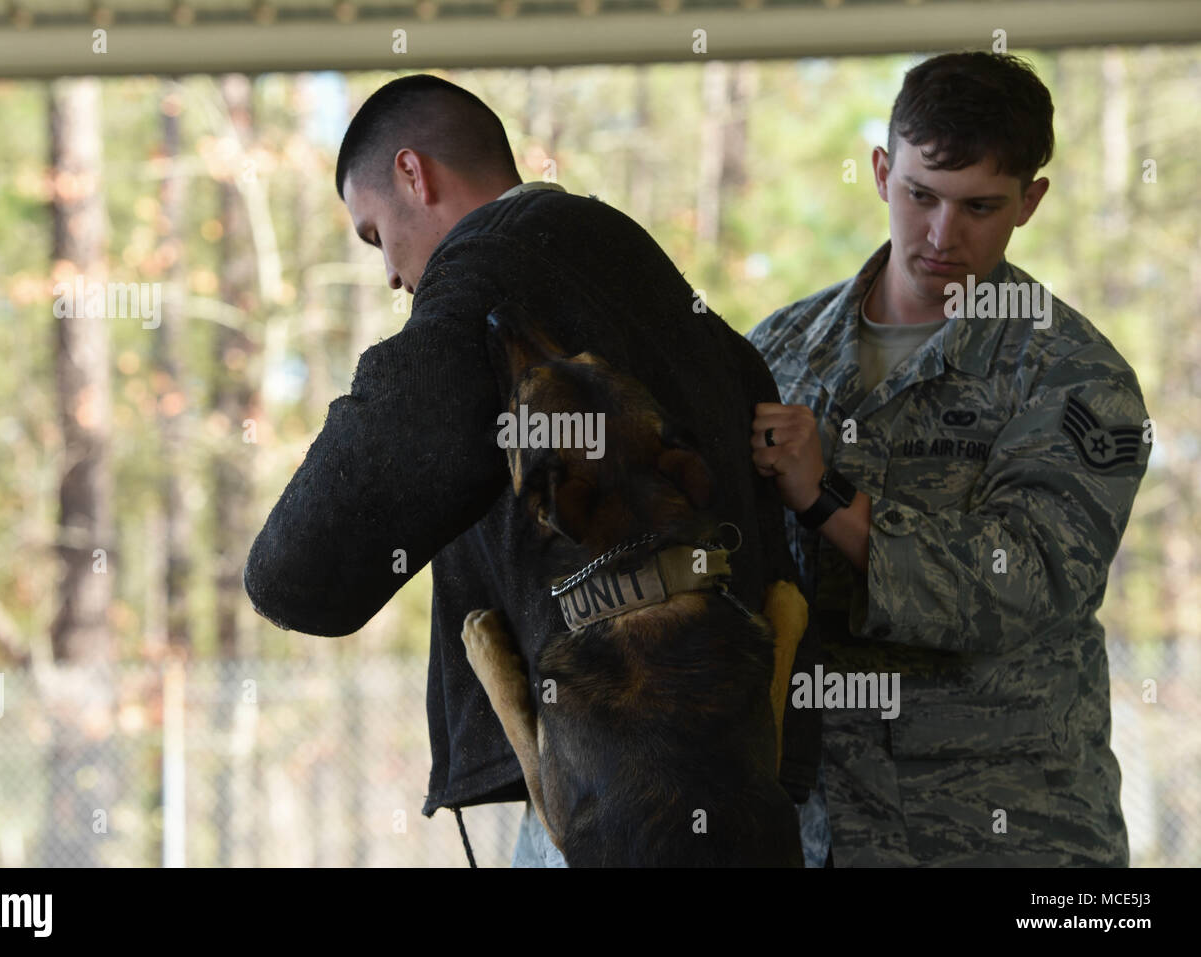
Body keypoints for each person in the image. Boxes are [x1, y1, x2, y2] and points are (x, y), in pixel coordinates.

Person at [243, 74, 815, 867]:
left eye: (376, 236)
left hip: (612, 801)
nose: (391, 277)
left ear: (415, 173)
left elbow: (298, 575)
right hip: (745, 800)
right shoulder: (675, 305)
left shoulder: (483, 278)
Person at [747, 51, 1150, 866]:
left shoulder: (1074, 377)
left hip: (1014, 836)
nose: (940, 235)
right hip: (817, 832)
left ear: (1030, 201)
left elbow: (1022, 583)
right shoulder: (780, 351)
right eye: (920, 195)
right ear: (881, 170)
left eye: (979, 207)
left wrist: (827, 501)